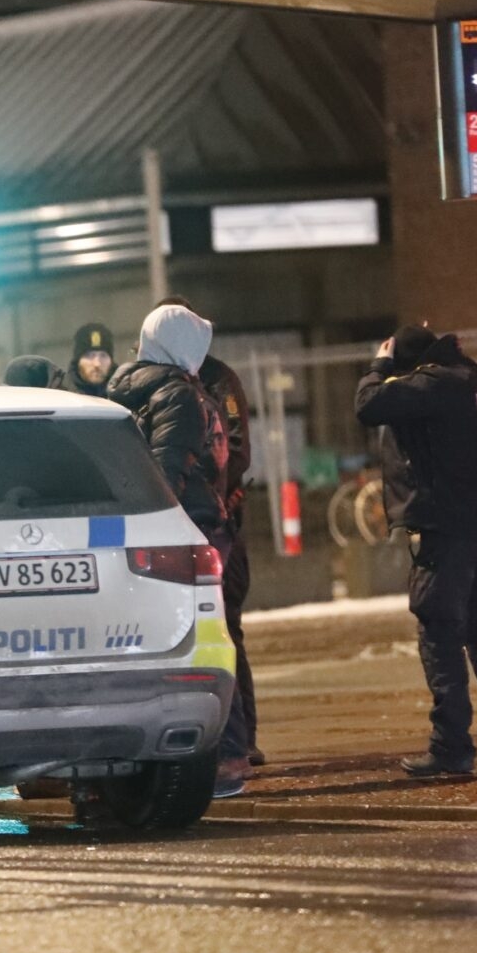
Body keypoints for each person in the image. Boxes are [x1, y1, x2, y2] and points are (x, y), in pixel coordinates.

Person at [354, 324, 477, 776]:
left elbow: (368, 405)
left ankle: (451, 747)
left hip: (447, 530)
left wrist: (379, 365)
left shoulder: (433, 383)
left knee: (441, 635)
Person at [108, 304, 249, 797]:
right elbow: (169, 472)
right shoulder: (179, 396)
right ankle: (225, 756)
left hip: (140, 535)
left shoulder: (122, 391)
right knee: (205, 642)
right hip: (189, 531)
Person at [156, 298, 261, 766]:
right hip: (192, 527)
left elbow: (236, 452)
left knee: (224, 632)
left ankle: (240, 741)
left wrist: (214, 492)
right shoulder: (164, 383)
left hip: (215, 525)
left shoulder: (215, 381)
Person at [61, 322, 116, 397]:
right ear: (78, 361)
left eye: (103, 355)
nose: (97, 364)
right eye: (89, 356)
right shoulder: (62, 395)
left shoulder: (123, 397)